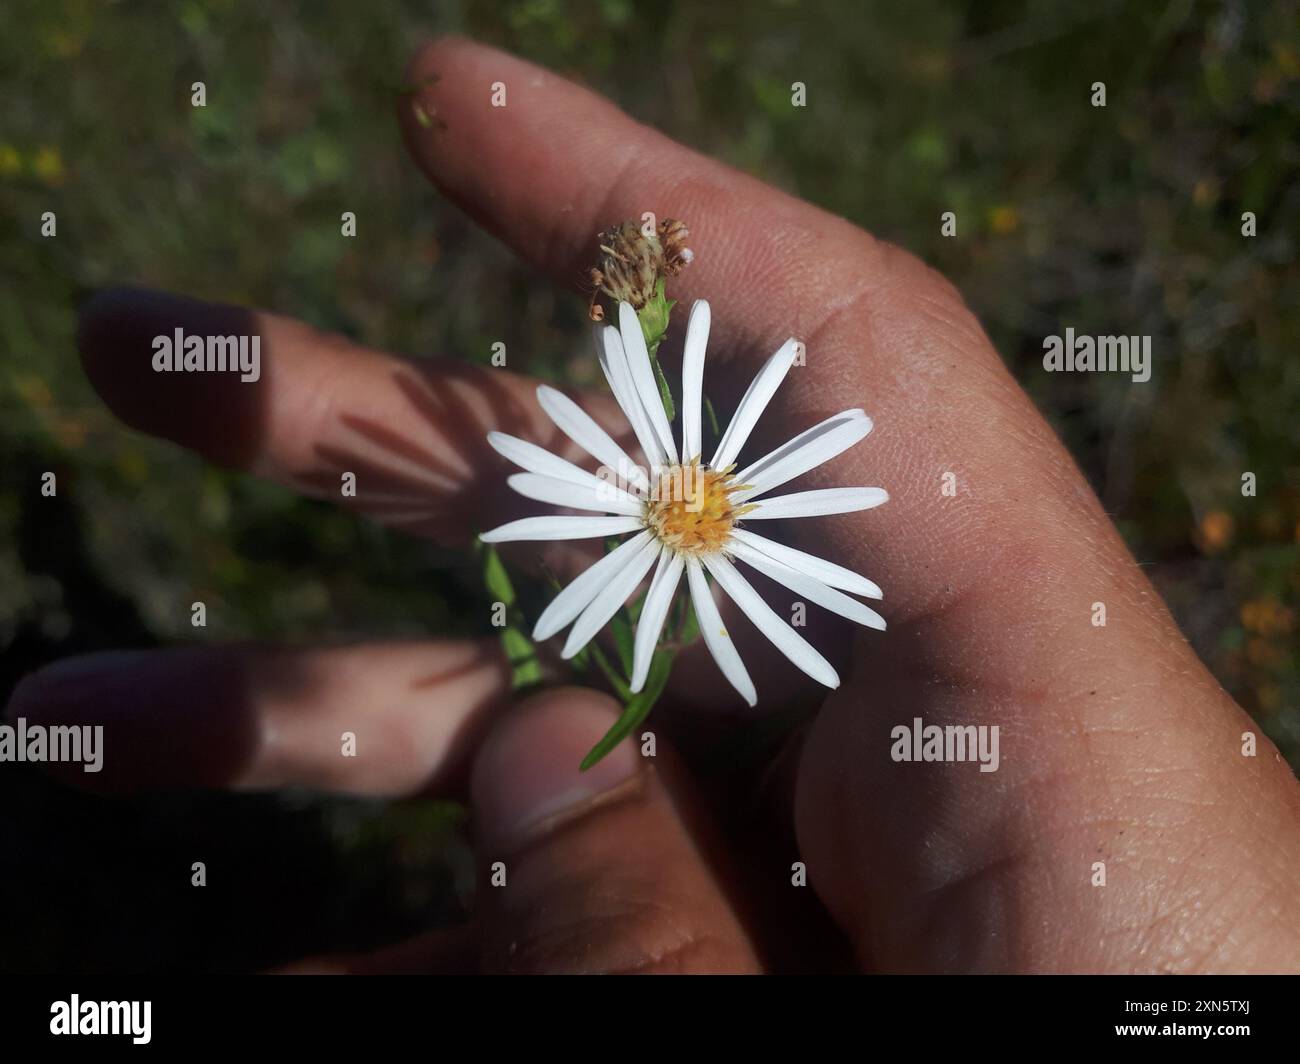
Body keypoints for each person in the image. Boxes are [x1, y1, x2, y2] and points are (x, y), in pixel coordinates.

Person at [9, 36, 1300, 974]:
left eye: (703, 505)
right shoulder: (673, 500)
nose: (695, 506)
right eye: (689, 502)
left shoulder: (727, 542)